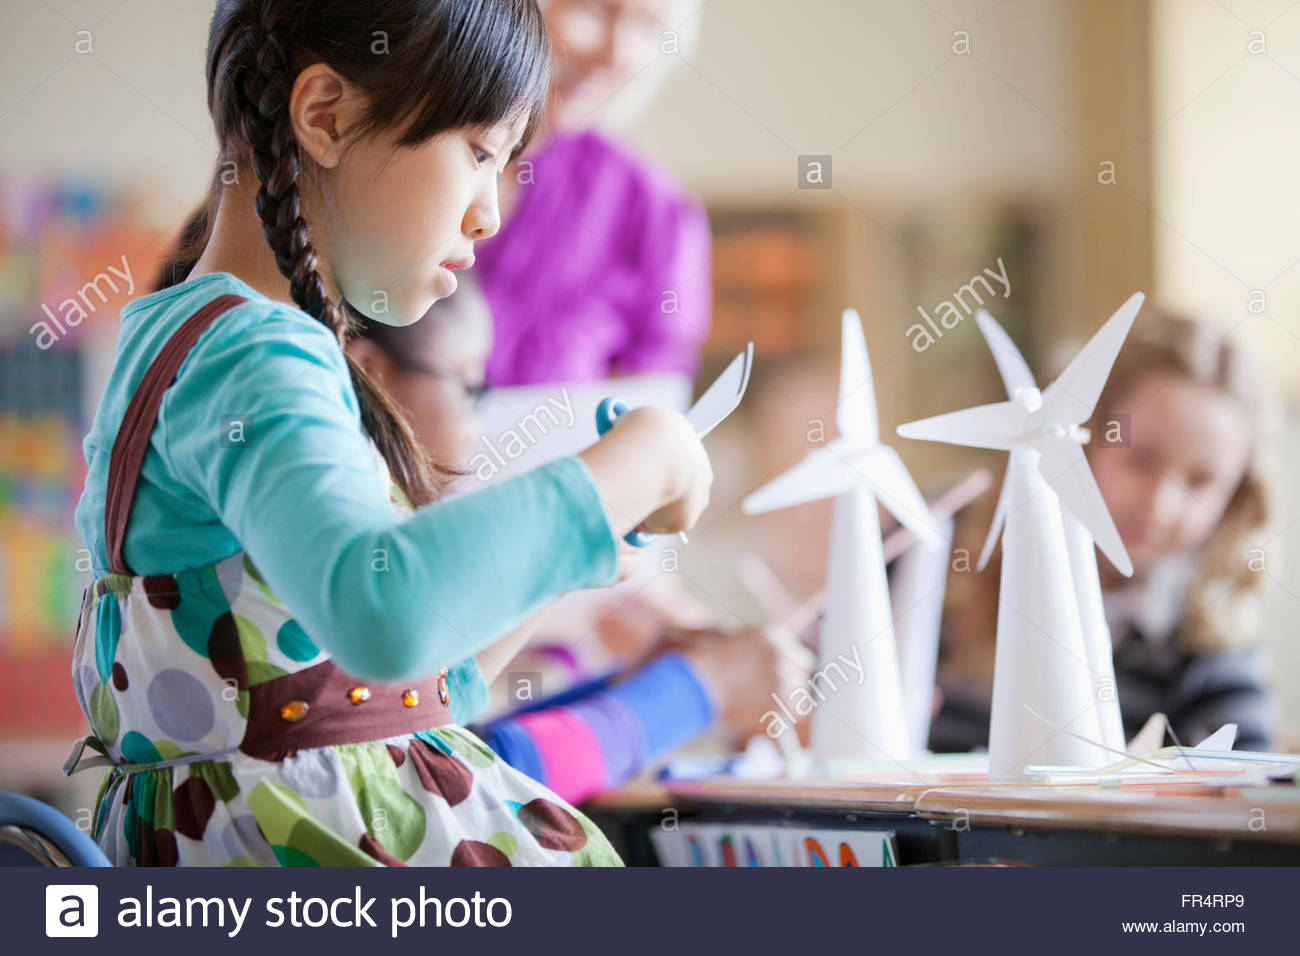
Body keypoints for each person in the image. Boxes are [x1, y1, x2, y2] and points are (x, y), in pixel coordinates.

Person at [67, 0, 714, 867]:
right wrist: (644, 458)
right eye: (479, 153)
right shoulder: (258, 352)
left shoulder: (187, 334)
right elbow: (384, 611)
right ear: (326, 117)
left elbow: (385, 694)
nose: (490, 212)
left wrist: (574, 555)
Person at [346, 276, 792, 804]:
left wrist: (640, 681)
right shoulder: (346, 557)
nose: (481, 426)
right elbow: (454, 789)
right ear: (371, 373)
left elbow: (450, 730)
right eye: (470, 388)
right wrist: (699, 688)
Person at [931, 312, 1279, 753]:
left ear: (1235, 499)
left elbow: (1242, 783)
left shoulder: (1212, 637)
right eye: (1140, 460)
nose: (1160, 505)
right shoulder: (939, 537)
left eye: (1201, 482)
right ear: (1084, 433)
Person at [476, 0, 712, 386]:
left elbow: (648, 411)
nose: (617, 55)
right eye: (595, 9)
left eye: (647, 26)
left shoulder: (654, 210)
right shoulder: (403, 143)